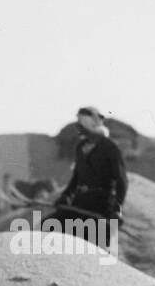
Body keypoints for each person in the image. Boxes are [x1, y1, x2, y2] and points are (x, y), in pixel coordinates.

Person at [52, 107, 127, 249]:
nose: (78, 126)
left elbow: (121, 181)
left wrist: (117, 210)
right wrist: (66, 195)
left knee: (91, 247)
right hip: (79, 203)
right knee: (50, 226)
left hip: (101, 206)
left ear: (89, 124)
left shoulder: (110, 147)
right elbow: (76, 178)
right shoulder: (81, 146)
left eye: (81, 122)